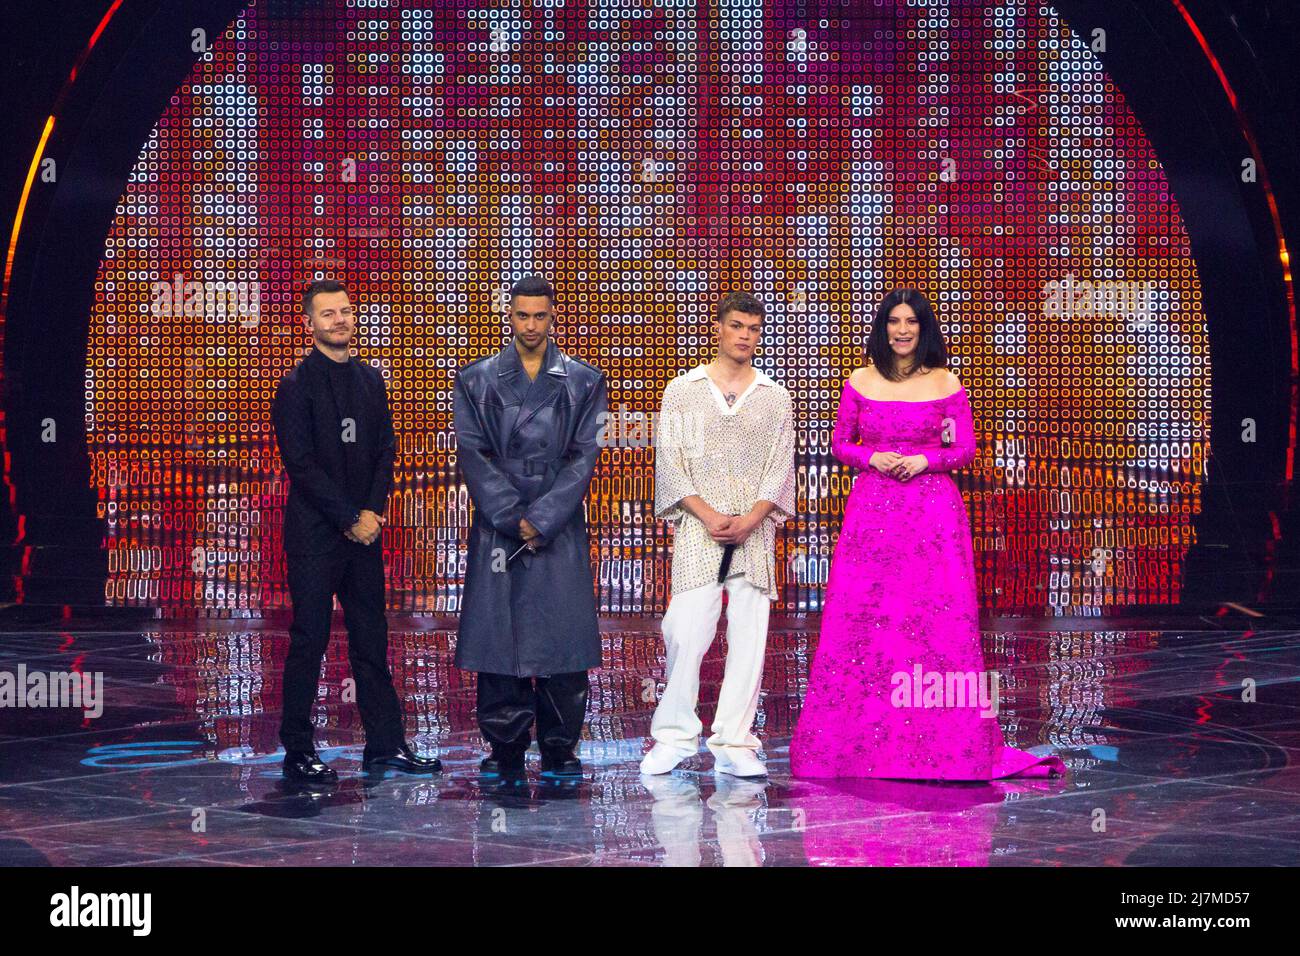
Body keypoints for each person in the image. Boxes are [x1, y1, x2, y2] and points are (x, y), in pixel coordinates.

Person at [790, 288, 1065, 780]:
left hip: (932, 514)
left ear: (923, 328)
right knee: (865, 621)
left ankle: (941, 745)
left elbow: (965, 450)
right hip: (873, 511)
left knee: (934, 622)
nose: (901, 329)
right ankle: (856, 749)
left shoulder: (945, 381)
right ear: (883, 327)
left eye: (910, 321)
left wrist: (925, 460)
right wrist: (872, 457)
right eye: (893, 320)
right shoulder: (859, 379)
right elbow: (839, 443)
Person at [271, 279, 441, 783]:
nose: (340, 319)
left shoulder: (371, 381)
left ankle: (386, 746)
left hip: (364, 535)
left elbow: (385, 450)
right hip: (316, 536)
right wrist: (350, 517)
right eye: (329, 314)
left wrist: (372, 512)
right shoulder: (295, 386)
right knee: (310, 640)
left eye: (346, 311)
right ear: (309, 324)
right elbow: (301, 466)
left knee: (372, 639)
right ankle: (298, 751)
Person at [453, 274, 608, 780]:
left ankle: (560, 746)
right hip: (499, 527)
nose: (531, 325)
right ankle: (506, 746)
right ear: (510, 316)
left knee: (562, 641)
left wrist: (541, 518)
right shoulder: (476, 379)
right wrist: (509, 516)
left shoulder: (584, 380)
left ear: (553, 316)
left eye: (540, 315)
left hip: (557, 525)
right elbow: (472, 454)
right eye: (522, 315)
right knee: (501, 641)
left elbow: (584, 456)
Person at [640, 292, 796, 778]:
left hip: (754, 530)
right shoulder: (682, 390)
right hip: (697, 529)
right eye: (736, 326)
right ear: (718, 328)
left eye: (752, 327)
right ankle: (674, 736)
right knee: (685, 631)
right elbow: (670, 463)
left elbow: (780, 468)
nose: (745, 335)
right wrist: (708, 515)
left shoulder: (775, 396)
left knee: (749, 635)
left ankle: (734, 739)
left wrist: (751, 518)